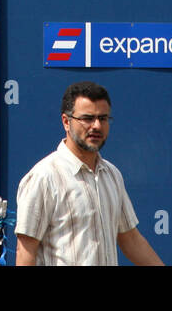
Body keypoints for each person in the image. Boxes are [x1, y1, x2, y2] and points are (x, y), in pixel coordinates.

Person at [15, 81, 163, 266]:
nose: (96, 126)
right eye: (87, 118)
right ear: (66, 122)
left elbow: (130, 239)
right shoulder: (43, 177)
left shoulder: (112, 174)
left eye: (103, 118)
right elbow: (25, 252)